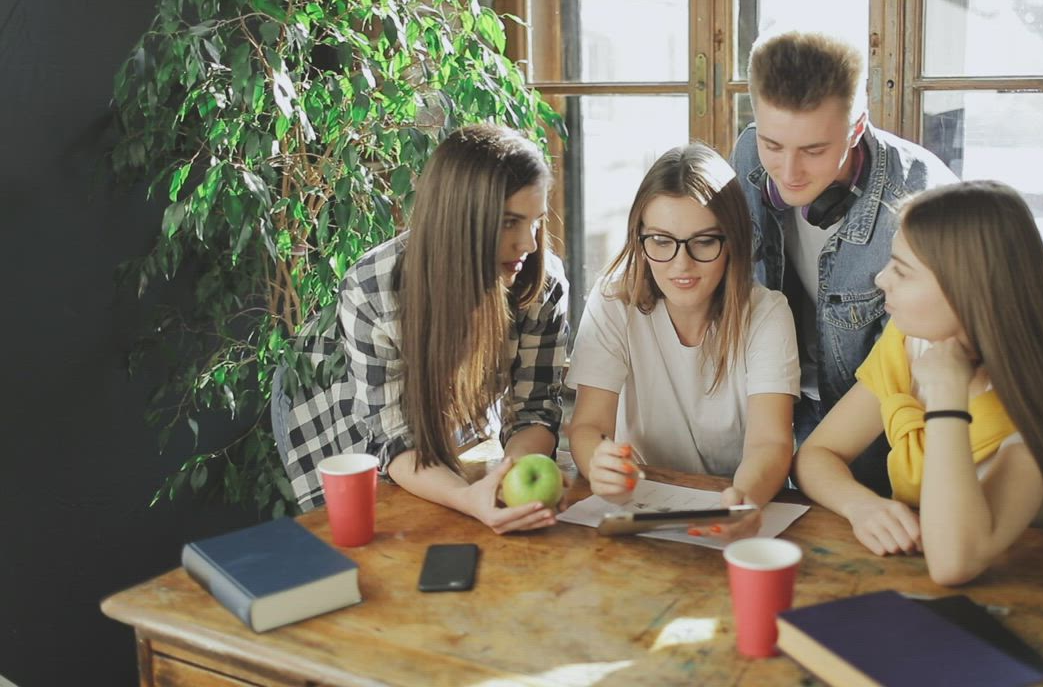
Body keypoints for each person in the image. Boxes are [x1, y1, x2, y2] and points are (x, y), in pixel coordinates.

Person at [794, 181, 1043, 585]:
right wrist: (860, 505)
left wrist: (946, 400)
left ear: (966, 291)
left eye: (902, 270)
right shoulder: (909, 342)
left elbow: (954, 563)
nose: (881, 279)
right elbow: (817, 454)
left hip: (1036, 603)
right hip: (921, 590)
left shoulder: (1041, 416)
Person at [274, 123, 570, 534]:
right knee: (378, 544)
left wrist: (512, 472)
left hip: (449, 405)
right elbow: (395, 440)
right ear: (459, 220)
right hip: (340, 407)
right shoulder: (376, 288)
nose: (529, 244)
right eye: (508, 223)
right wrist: (470, 499)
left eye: (536, 222)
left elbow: (535, 408)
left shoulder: (541, 282)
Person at [730, 30, 956, 494]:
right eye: (774, 146)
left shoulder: (920, 202)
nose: (787, 173)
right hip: (770, 405)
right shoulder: (749, 151)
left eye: (813, 151)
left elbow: (914, 372)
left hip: (870, 432)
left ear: (856, 129)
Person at [566, 143, 800, 539]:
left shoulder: (767, 314)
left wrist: (742, 501)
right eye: (660, 240)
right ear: (639, 238)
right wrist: (597, 463)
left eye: (704, 241)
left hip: (731, 499)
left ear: (733, 241)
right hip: (644, 504)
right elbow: (588, 426)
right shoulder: (613, 302)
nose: (681, 264)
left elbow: (771, 443)